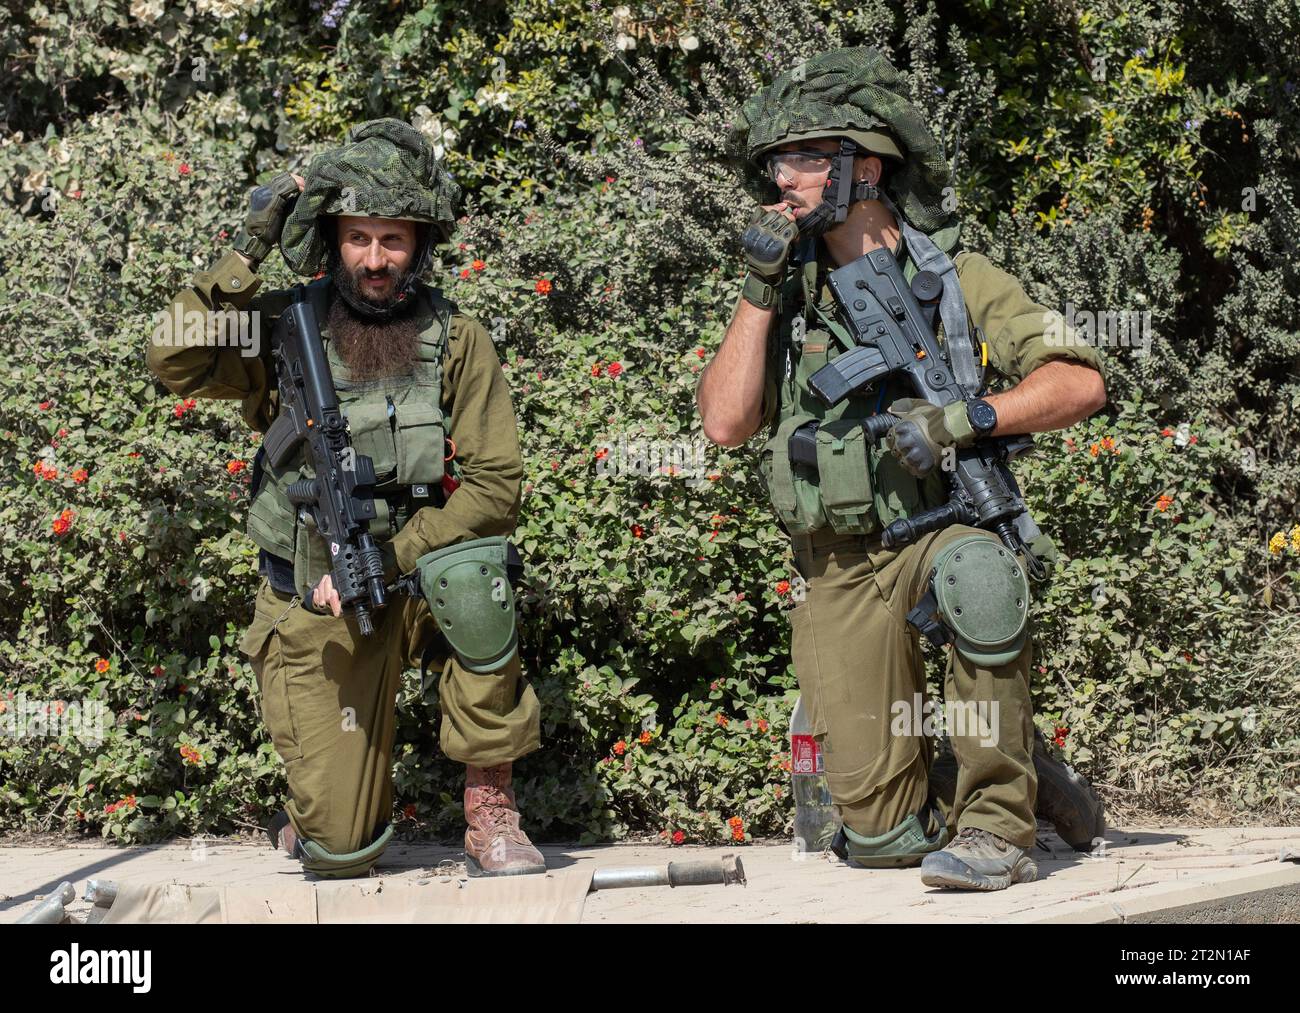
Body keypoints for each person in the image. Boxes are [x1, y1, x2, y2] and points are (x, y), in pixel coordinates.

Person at [697, 48, 1107, 890]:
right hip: (840, 563)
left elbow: (1081, 381)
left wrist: (966, 418)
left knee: (984, 578)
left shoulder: (958, 276)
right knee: (883, 839)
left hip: (937, 531)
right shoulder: (785, 289)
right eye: (776, 161)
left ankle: (999, 827)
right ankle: (1013, 758)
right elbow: (726, 423)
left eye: (806, 158)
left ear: (866, 167)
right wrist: (756, 286)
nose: (785, 178)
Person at [146, 119, 546, 879]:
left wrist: (394, 558)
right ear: (332, 239)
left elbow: (496, 485)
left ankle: (491, 808)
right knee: (340, 849)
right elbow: (171, 355)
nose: (373, 260)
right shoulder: (277, 328)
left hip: (419, 580)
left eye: (392, 240)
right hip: (319, 597)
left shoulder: (458, 339)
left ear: (420, 245)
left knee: (478, 579)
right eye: (357, 238)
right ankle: (323, 804)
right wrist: (248, 245)